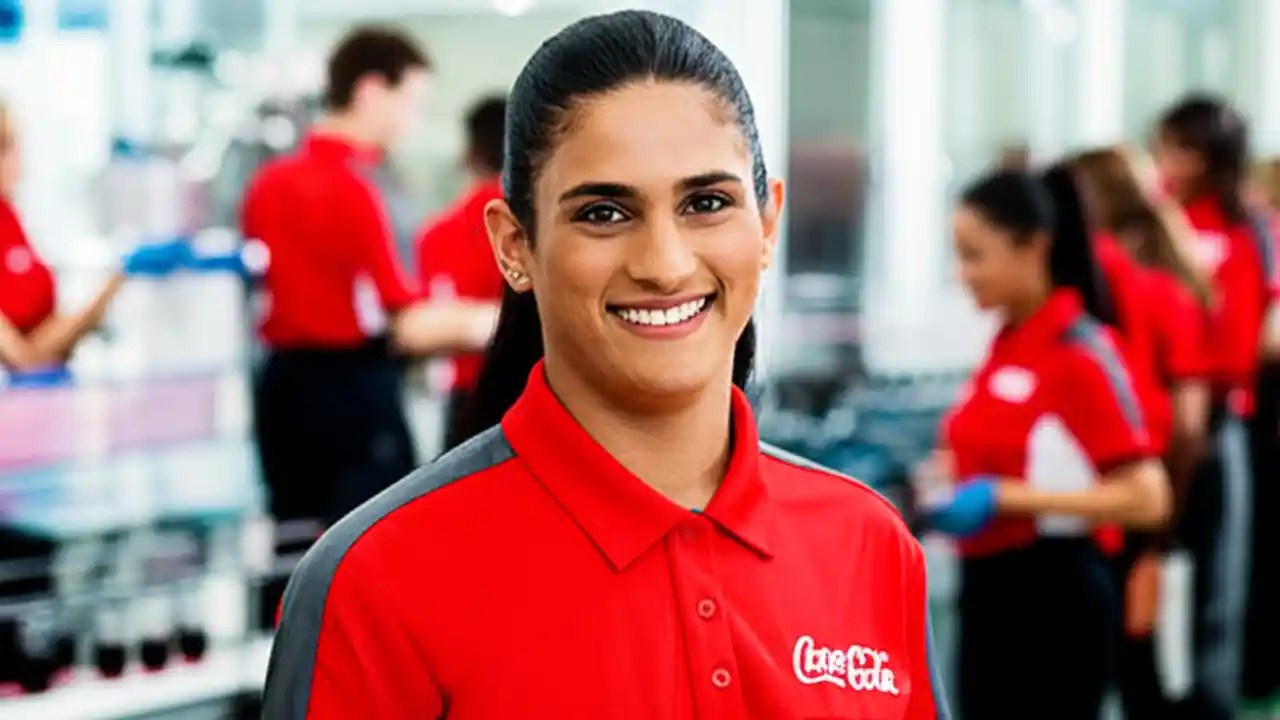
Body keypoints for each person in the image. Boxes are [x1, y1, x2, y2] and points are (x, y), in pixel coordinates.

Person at [262, 11, 949, 719]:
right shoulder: (377, 582)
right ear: (514, 246)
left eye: (707, 203)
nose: (665, 264)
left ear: (767, 224)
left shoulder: (867, 544)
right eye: (604, 214)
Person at [241, 27, 497, 623]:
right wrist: (513, 321)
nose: (411, 119)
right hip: (352, 396)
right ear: (370, 90)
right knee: (371, 554)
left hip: (280, 389)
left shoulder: (268, 185)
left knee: (292, 547)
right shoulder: (361, 188)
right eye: (408, 101)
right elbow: (405, 323)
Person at [922, 167, 1170, 719]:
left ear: (1032, 247)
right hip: (989, 590)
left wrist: (1008, 499)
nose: (962, 275)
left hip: (1056, 599)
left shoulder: (1080, 352)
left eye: (974, 255)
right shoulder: (1008, 341)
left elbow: (1149, 497)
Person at [1072, 146, 1214, 719]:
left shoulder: (1128, 290)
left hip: (1146, 500)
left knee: (1146, 663)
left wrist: (1158, 529)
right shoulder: (1156, 287)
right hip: (1137, 498)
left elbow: (1187, 422)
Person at [1154, 95, 1271, 719]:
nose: (1167, 160)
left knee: (1216, 590)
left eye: (1178, 146)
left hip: (1220, 421)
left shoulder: (1245, 229)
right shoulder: (1161, 221)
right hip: (1164, 420)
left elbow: (1253, 337)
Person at [0, 100, 187, 373]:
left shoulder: (11, 220)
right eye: (9, 148)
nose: (20, 159)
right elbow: (24, 357)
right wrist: (114, 282)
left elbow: (48, 328)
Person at [415, 95, 508, 451]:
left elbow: (424, 328)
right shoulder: (548, 223)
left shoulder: (439, 233)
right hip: (546, 390)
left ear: (469, 154)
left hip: (468, 400)